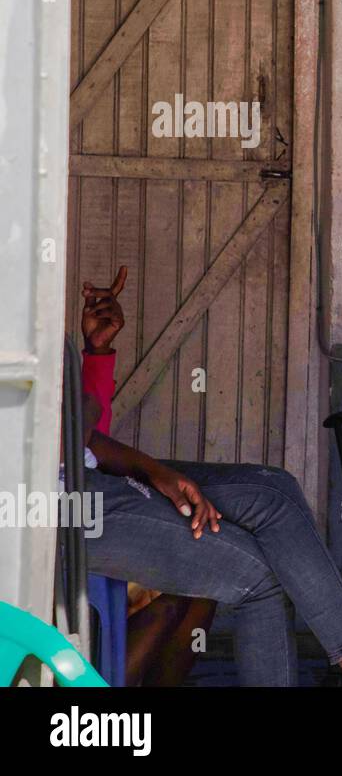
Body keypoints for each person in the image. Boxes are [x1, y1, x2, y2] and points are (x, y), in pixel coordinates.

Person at [77, 271, 342, 687]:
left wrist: (155, 470)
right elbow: (72, 427)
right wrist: (77, 406)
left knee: (272, 491)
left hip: (88, 476)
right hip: (58, 509)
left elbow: (82, 437)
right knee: (261, 577)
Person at [78, 266, 217, 686]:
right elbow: (76, 433)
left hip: (89, 504)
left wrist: (97, 351)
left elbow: (86, 438)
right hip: (49, 526)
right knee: (169, 604)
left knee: (204, 584)